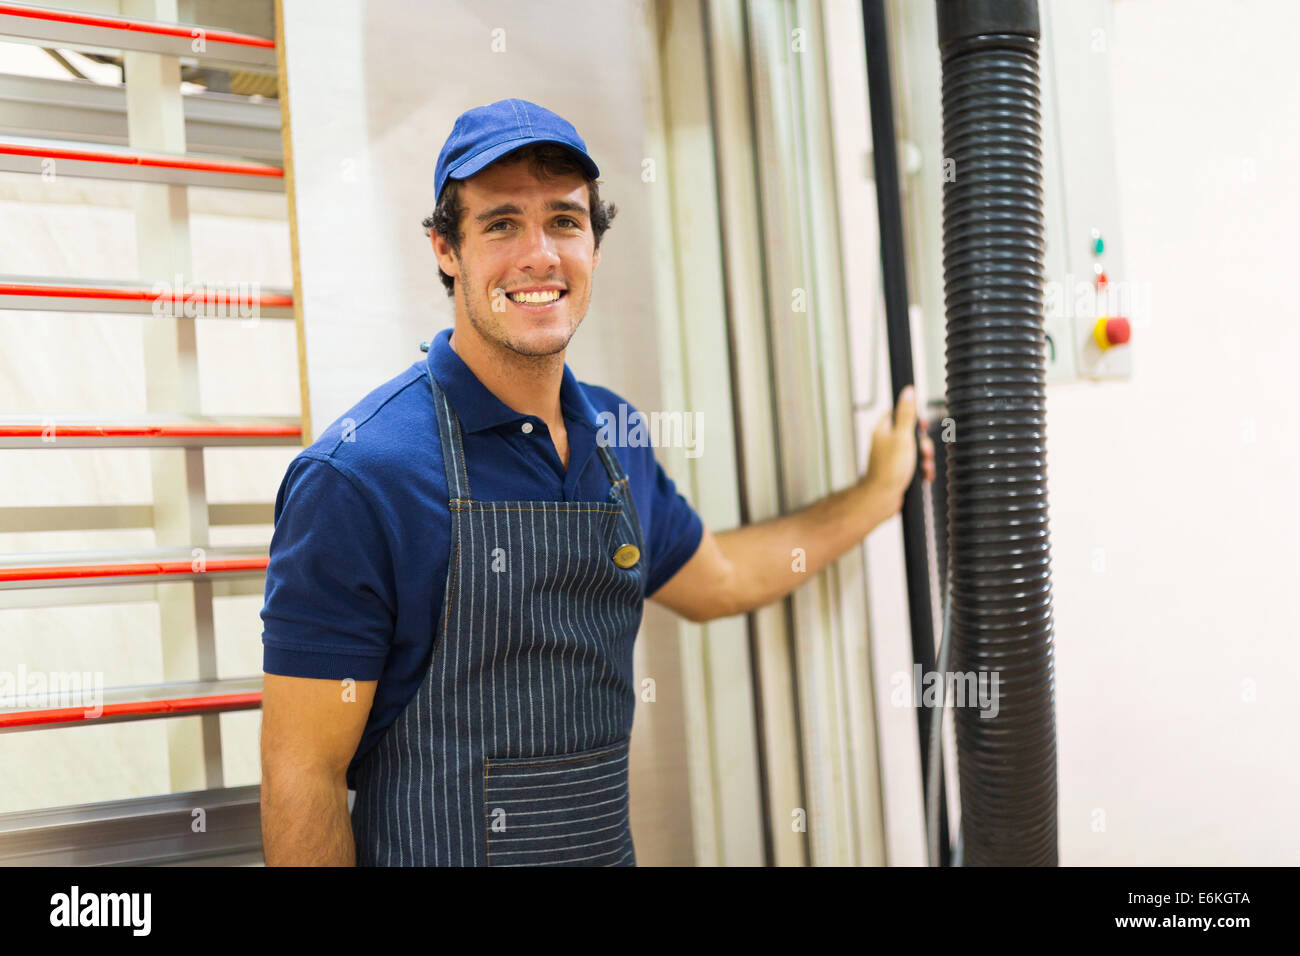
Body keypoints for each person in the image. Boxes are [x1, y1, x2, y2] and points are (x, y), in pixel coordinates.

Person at [259, 98, 935, 867]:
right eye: (501, 223)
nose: (539, 254)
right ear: (446, 249)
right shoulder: (360, 475)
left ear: (596, 246)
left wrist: (878, 494)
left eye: (566, 221)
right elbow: (300, 773)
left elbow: (719, 579)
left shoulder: (615, 436)